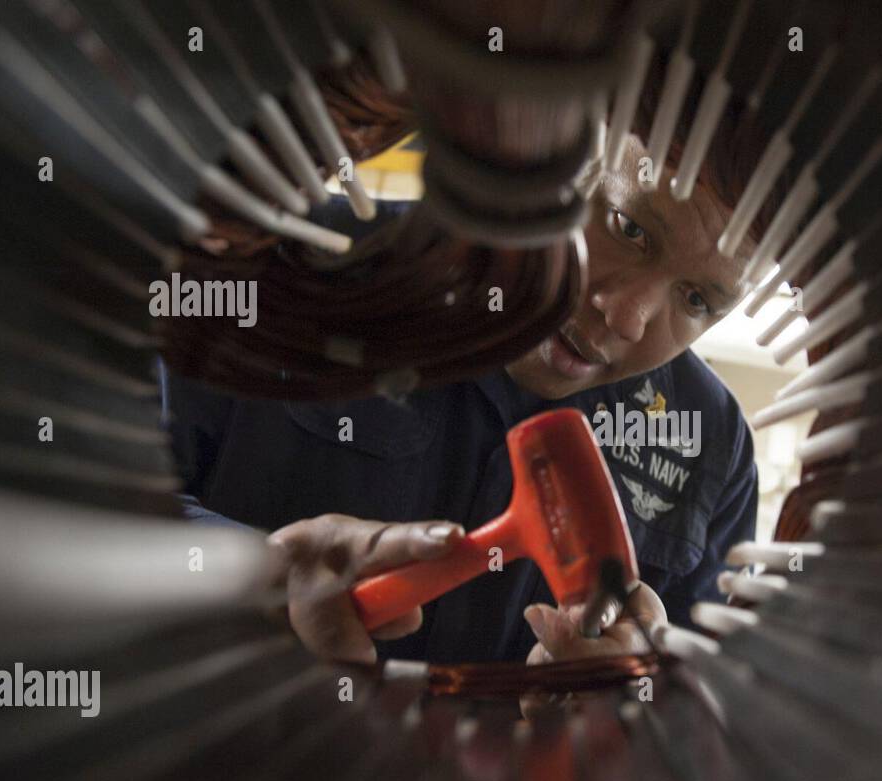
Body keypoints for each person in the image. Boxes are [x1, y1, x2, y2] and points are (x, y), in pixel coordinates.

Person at [163, 127, 770, 667]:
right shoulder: (281, 271)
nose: (628, 316)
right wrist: (249, 571)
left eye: (697, 300)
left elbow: (699, 714)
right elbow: (87, 514)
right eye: (629, 229)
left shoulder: (708, 444)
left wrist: (638, 699)